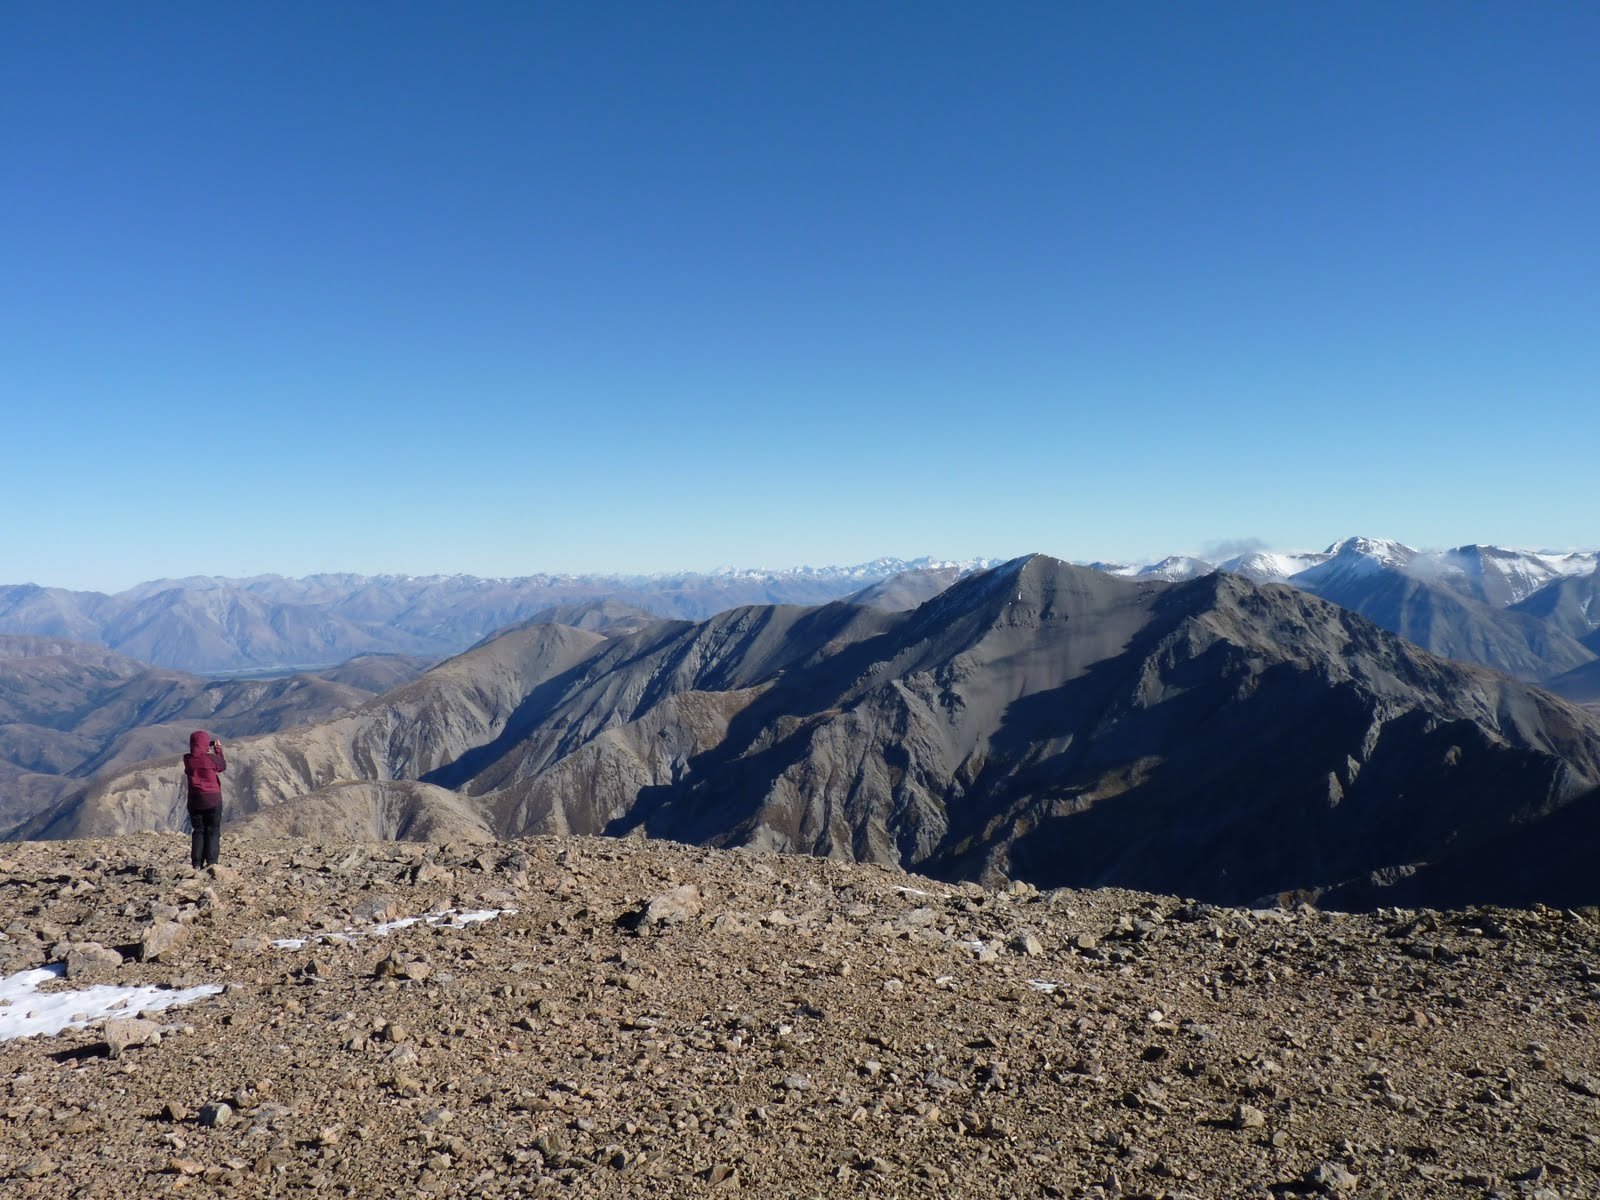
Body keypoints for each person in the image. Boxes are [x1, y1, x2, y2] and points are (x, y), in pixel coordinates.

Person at [183, 729, 227, 869]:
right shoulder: (211, 759)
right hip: (213, 799)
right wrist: (218, 749)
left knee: (198, 830)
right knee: (213, 830)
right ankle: (212, 862)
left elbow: (197, 753)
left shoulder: (188, 759)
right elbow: (221, 766)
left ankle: (196, 863)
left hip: (195, 801)